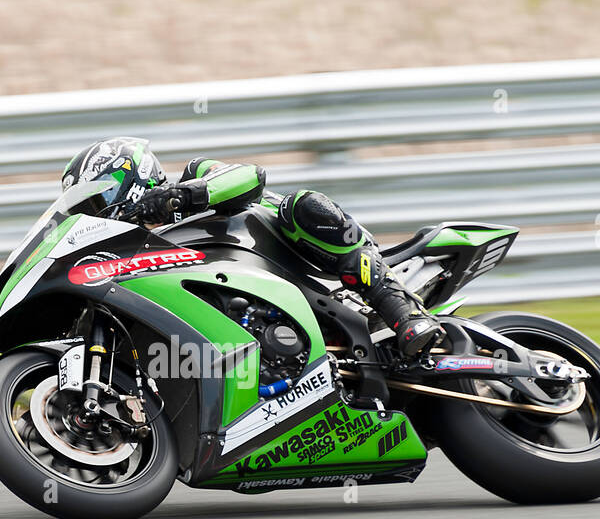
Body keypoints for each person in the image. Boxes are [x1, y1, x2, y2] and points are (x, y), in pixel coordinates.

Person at [61, 137, 444, 357]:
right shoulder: (141, 252)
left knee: (304, 205)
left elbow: (250, 175)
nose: (97, 212)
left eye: (97, 200)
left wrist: (177, 198)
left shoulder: (193, 176)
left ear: (131, 175)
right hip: (260, 309)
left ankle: (403, 310)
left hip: (312, 265)